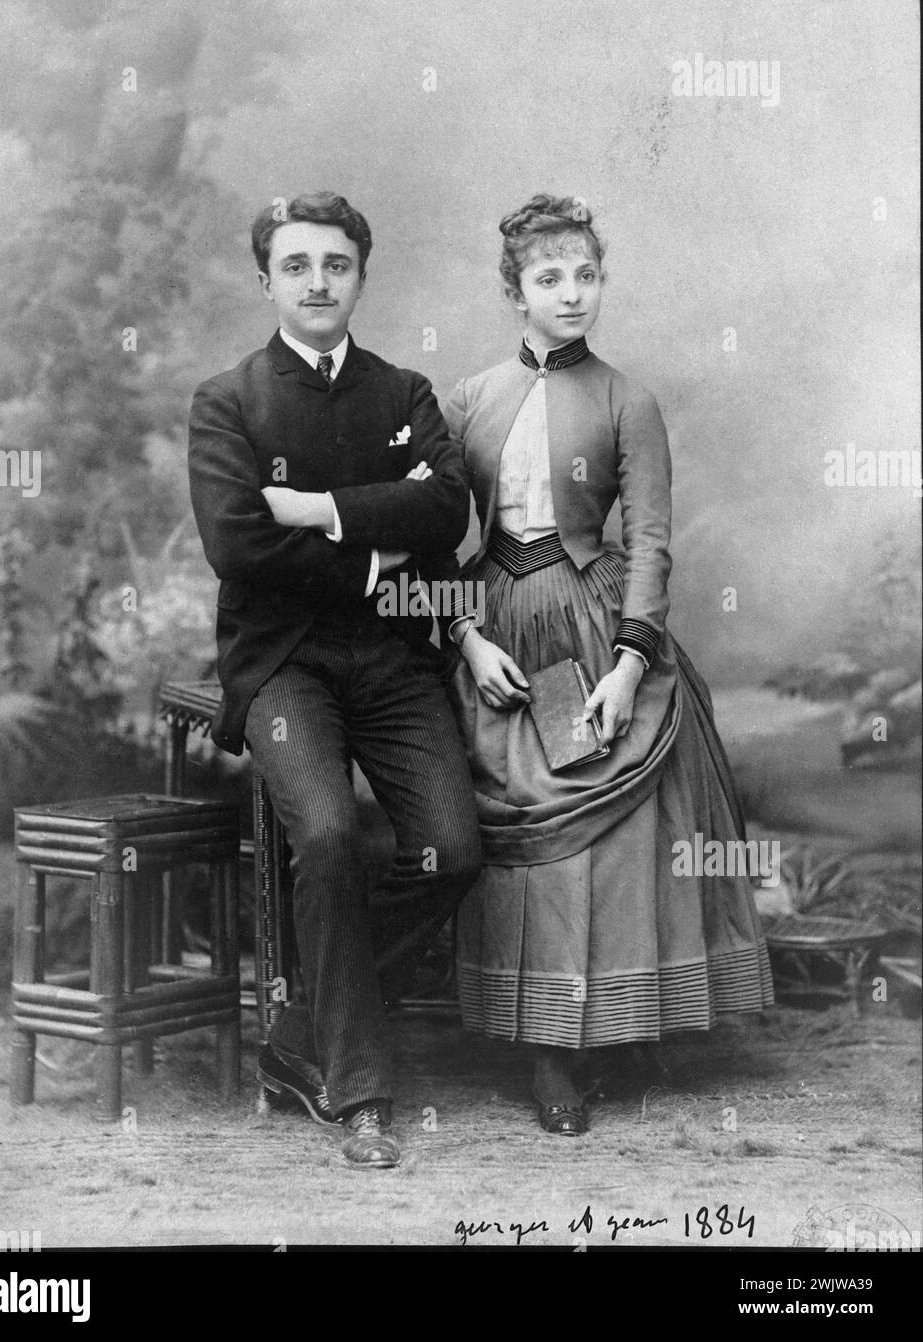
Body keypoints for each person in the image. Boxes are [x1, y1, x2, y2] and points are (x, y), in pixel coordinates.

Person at [443, 194, 773, 1135]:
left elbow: (653, 541)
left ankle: (623, 1027)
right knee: (525, 837)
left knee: (622, 833)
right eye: (551, 279)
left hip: (599, 617)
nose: (573, 293)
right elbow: (433, 547)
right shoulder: (467, 399)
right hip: (499, 622)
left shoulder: (629, 398)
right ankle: (546, 1050)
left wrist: (629, 667)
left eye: (586, 275)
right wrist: (465, 636)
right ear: (516, 292)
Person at [188, 191, 481, 1168]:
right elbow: (239, 545)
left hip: (394, 656)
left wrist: (314, 506)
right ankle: (358, 1093)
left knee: (452, 848)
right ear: (267, 277)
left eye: (337, 265)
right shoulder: (227, 401)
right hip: (282, 664)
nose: (319, 283)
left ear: (361, 275)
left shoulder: (403, 392)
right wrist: (365, 554)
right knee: (327, 833)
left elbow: (445, 508)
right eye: (298, 265)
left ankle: (301, 1028)